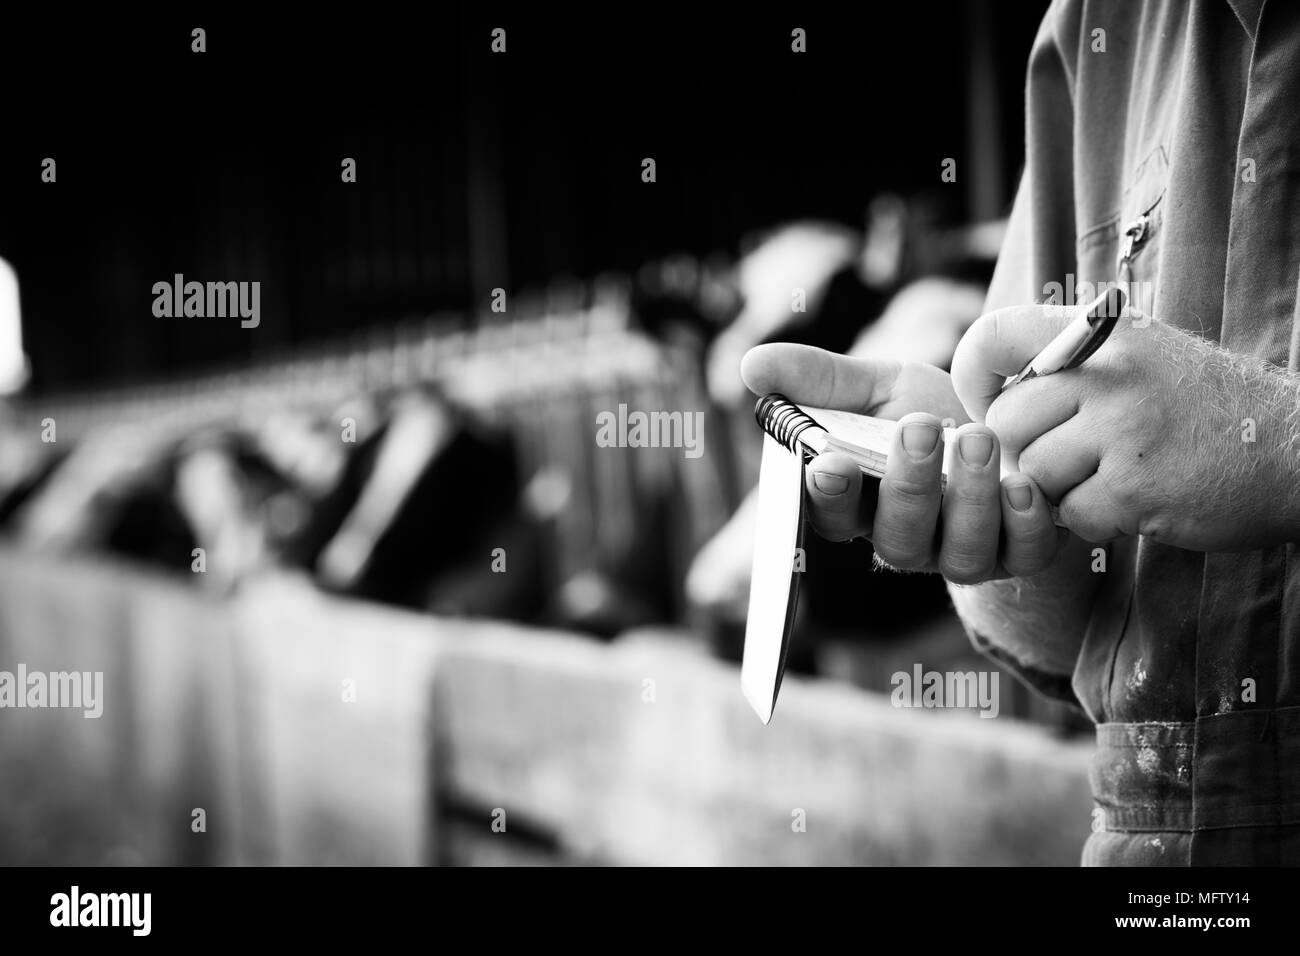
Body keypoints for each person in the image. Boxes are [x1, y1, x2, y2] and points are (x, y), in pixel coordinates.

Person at [742, 0, 1300, 866]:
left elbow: (1240, 442)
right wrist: (1008, 501)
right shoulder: (1094, 29)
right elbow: (1064, 628)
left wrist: (1273, 444)